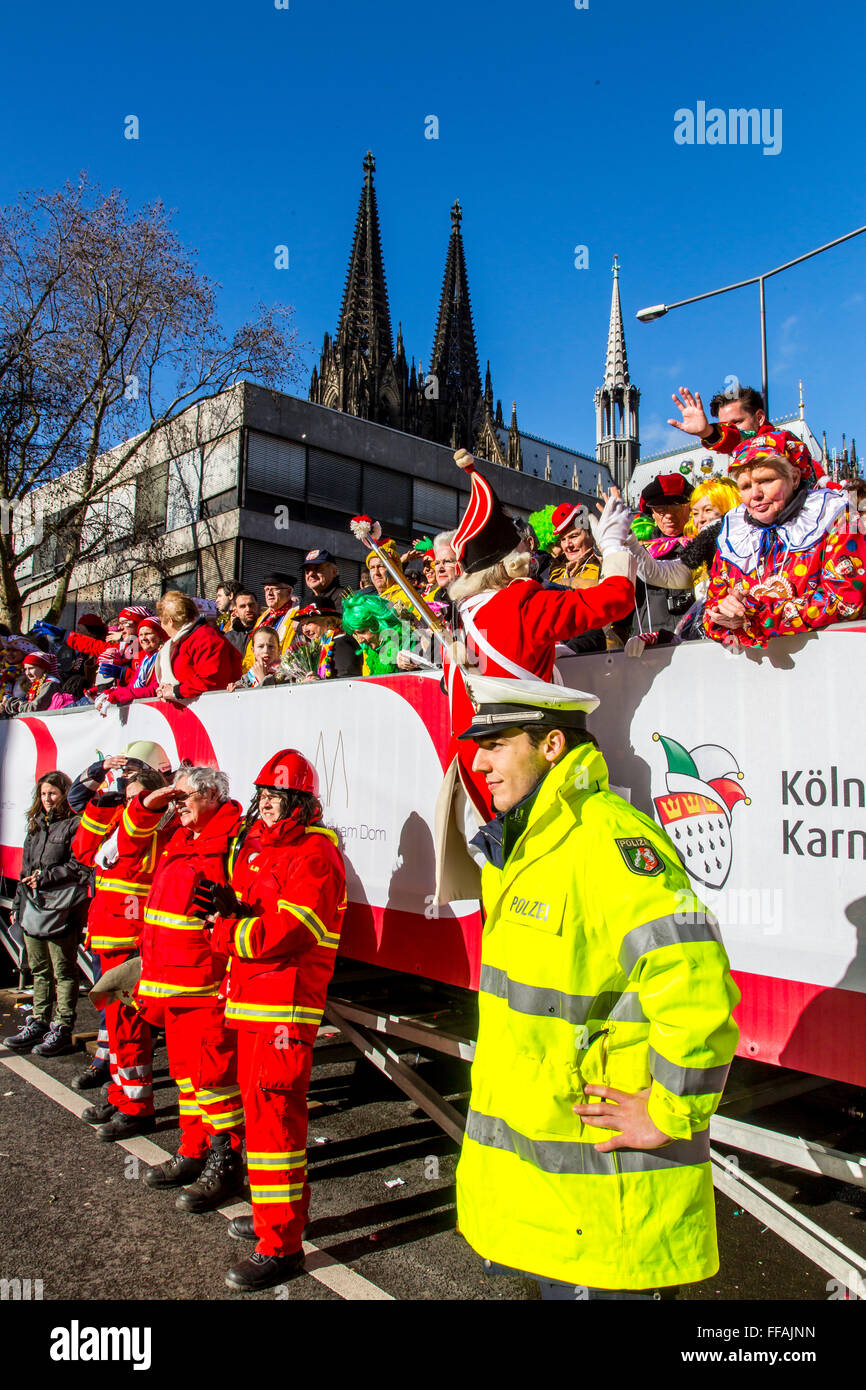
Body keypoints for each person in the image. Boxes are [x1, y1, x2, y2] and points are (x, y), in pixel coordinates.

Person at [453, 673, 740, 1298]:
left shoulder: (606, 837)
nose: (479, 762)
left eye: (496, 743)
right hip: (551, 1204)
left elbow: (694, 980)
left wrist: (671, 1111)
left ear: (551, 745)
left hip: (603, 1200)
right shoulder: (532, 840)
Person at [203, 749, 347, 1292]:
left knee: (276, 1134)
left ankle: (282, 1248)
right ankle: (272, 1225)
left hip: (282, 1015)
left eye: (276, 798)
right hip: (254, 1008)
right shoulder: (264, 849)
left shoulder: (313, 856)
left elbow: (282, 935)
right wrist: (231, 907)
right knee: (264, 1131)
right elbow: (260, 918)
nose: (265, 807)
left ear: (299, 802)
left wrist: (225, 929)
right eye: (262, 797)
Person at [445, 451, 635, 816]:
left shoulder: (466, 615)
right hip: (526, 763)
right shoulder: (521, 602)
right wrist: (612, 545)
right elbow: (616, 600)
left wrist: (550, 650)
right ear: (511, 562)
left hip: (479, 771)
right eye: (521, 545)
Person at [130, 766, 246, 1210]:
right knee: (185, 1076)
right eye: (174, 799)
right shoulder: (181, 837)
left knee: (214, 1079)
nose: (176, 805)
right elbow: (125, 840)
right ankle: (193, 1150)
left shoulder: (232, 842)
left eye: (183, 798)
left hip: (205, 984)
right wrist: (152, 801)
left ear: (212, 795)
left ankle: (227, 1161)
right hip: (170, 983)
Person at [69, 752, 171, 1140]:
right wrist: (102, 799)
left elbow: (125, 844)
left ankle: (136, 1107)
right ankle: (120, 1093)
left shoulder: (148, 825)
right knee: (115, 1027)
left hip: (129, 941)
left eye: (133, 791)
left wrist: (137, 803)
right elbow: (83, 850)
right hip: (107, 938)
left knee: (129, 1029)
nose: (126, 797)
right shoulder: (124, 818)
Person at [703, 431, 866, 649]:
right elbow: (712, 606)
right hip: (759, 670)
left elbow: (845, 601)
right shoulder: (734, 533)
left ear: (795, 477)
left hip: (831, 661)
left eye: (766, 480)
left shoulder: (835, 517)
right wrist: (722, 615)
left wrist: (754, 615)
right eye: (745, 486)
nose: (755, 494)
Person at [3, 772, 90, 1058]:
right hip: (33, 907)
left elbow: (80, 866)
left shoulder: (75, 824)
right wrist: (17, 906)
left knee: (63, 972)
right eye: (43, 794)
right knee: (39, 970)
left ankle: (62, 1027)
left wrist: (46, 878)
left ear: (64, 793)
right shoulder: (36, 825)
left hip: (61, 909)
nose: (47, 799)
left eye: (52, 793)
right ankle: (39, 1022)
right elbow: (25, 870)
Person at [100, 590, 241, 705]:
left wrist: (176, 691)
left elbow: (212, 680)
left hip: (211, 712)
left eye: (162, 622)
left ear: (170, 621)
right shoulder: (181, 641)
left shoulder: (206, 638)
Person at [668, 384, 825, 484]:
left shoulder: (777, 440)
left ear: (759, 418)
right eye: (724, 426)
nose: (731, 429)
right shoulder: (741, 456)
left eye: (736, 422)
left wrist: (709, 433)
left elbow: (740, 437)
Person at [288, 603, 361, 679]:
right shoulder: (319, 646)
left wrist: (319, 684)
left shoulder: (341, 642)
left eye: (309, 623)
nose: (305, 630)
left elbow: (348, 681)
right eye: (302, 625)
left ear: (328, 621)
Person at [243, 573, 298, 672]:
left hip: (283, 674)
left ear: (289, 591)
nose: (269, 593)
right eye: (267, 589)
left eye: (275, 589)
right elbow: (251, 651)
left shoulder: (297, 614)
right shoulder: (264, 617)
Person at [340, 592, 405, 675]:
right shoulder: (373, 652)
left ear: (379, 623)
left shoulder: (406, 643)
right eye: (356, 635)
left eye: (362, 632)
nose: (360, 641)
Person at [224, 589, 261, 658]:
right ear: (235, 612)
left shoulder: (267, 631)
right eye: (242, 606)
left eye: (251, 605)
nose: (248, 609)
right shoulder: (228, 638)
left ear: (258, 607)